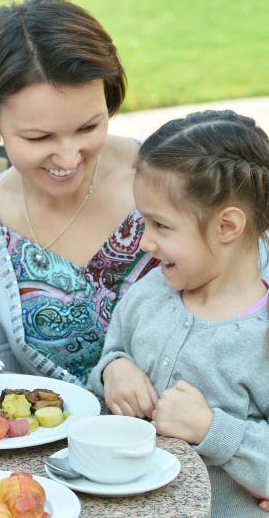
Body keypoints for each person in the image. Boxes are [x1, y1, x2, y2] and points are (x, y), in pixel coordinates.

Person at [0, 0, 158, 385]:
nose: (67, 158)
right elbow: (9, 387)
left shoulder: (179, 181)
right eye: (39, 138)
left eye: (88, 127)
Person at [87, 110, 269, 516]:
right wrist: (114, 369)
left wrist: (211, 429)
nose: (144, 243)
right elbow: (108, 360)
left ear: (226, 226)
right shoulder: (148, 294)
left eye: (161, 226)